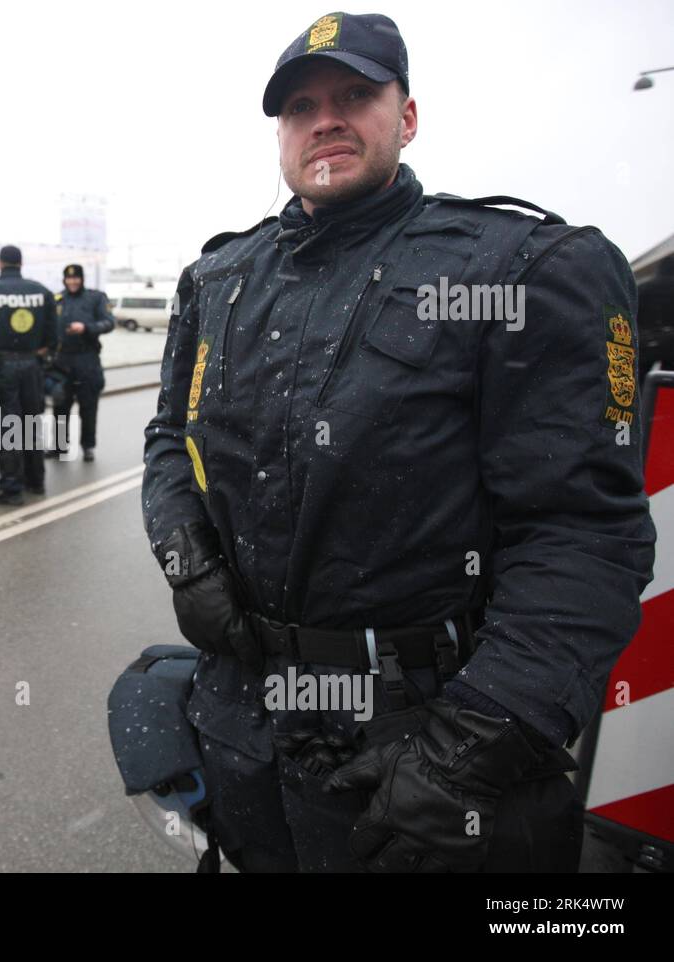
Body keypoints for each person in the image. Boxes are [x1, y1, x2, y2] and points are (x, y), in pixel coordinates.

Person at [141, 11, 655, 872]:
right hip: (246, 722)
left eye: (355, 95)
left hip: (416, 748)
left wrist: (468, 755)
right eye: (301, 106)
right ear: (281, 134)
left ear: (406, 117)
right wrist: (188, 558)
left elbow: (581, 535)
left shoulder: (516, 271)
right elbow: (168, 443)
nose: (326, 119)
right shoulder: (219, 282)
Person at [0, 245, 58, 505]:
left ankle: (11, 488)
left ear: (0, 263)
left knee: (9, 428)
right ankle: (36, 481)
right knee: (31, 423)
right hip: (32, 366)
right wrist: (40, 358)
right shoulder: (43, 292)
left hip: (2, 367)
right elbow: (53, 337)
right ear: (20, 263)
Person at [50, 264, 114, 461]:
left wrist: (86, 328)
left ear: (82, 279)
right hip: (62, 360)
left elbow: (109, 322)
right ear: (64, 280)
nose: (72, 282)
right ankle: (60, 447)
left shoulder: (96, 298)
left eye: (76, 278)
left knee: (88, 406)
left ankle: (88, 446)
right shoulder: (57, 300)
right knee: (60, 405)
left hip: (87, 359)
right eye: (69, 279)